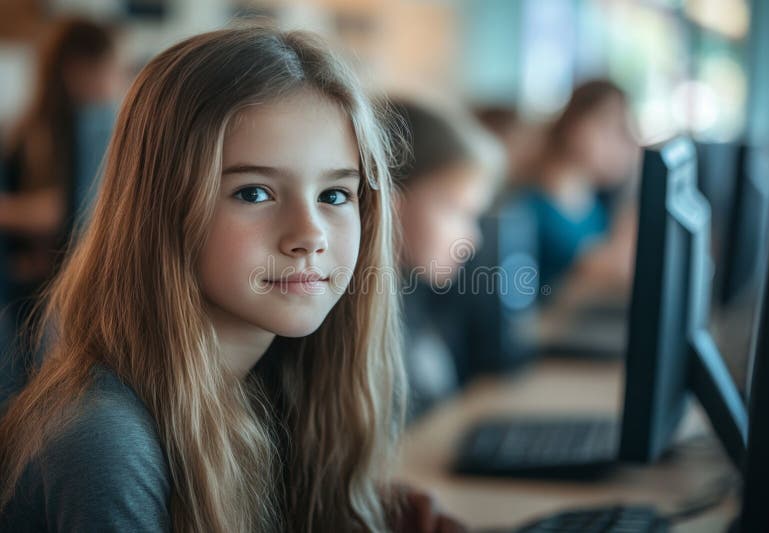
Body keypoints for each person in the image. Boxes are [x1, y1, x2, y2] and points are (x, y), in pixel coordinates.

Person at [0, 25, 462, 532]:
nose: (309, 235)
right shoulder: (107, 440)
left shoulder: (276, 386)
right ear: (162, 210)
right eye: (254, 193)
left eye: (334, 196)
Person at [0, 17, 124, 321]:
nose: (120, 80)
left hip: (49, 283)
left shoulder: (44, 127)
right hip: (47, 288)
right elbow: (67, 210)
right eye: (114, 68)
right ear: (80, 69)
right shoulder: (79, 130)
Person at [391, 99, 503, 419]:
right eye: (456, 211)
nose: (473, 239)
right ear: (390, 200)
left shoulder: (416, 294)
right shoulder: (353, 325)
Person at [513, 79, 640, 293]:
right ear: (578, 127)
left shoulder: (594, 200)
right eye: (614, 129)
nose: (628, 143)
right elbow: (614, 269)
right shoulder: (531, 206)